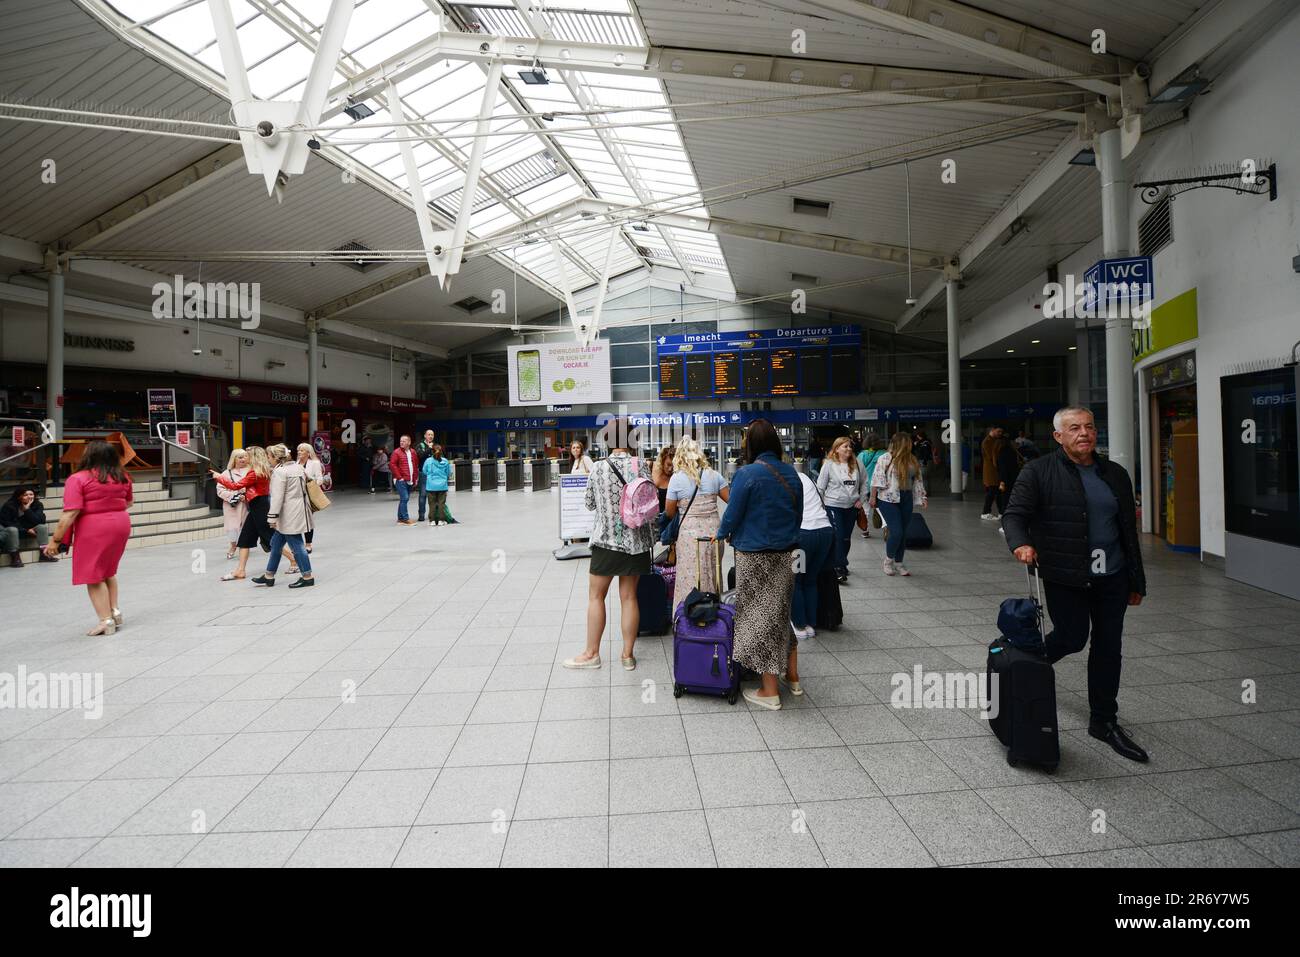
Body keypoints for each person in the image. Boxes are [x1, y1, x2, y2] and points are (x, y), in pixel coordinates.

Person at [1002, 406, 1149, 763]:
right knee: (1071, 637)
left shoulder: (1115, 474)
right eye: (1074, 428)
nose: (1084, 433)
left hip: (1112, 575)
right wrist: (1020, 543)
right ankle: (1020, 668)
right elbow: (1015, 514)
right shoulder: (1039, 471)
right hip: (1066, 574)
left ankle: (1104, 720)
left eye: (1089, 427)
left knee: (1108, 646)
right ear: (1058, 436)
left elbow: (1127, 531)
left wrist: (1135, 579)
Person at [714, 419, 802, 710]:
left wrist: (720, 534)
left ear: (750, 444)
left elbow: (732, 514)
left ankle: (769, 690)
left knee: (760, 616)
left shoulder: (747, 474)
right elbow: (797, 514)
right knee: (780, 612)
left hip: (755, 555)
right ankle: (793, 677)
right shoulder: (791, 474)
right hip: (787, 553)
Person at [563, 417, 653, 672]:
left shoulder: (599, 468)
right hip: (636, 542)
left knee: (596, 596)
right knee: (629, 597)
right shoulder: (641, 464)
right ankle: (627, 655)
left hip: (606, 541)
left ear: (608, 440)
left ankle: (592, 654)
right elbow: (649, 501)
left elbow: (590, 503)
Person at [43, 440, 132, 636]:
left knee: (92, 575)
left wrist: (55, 540)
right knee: (108, 570)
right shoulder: (123, 476)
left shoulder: (78, 479)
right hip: (121, 524)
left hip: (94, 528)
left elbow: (70, 512)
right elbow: (129, 502)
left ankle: (105, 621)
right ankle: (115, 611)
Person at [663, 435, 730, 614]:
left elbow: (669, 513)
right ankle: (714, 613)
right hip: (714, 533)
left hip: (689, 535)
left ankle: (688, 616)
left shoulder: (676, 479)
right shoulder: (715, 475)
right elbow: (731, 501)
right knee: (712, 572)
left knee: (689, 575)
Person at [251, 444, 315, 589]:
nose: (268, 459)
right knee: (275, 544)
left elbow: (277, 498)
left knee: (297, 544)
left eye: (269, 456)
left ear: (276, 457)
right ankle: (269, 575)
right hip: (299, 510)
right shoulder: (298, 467)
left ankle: (307, 576)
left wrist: (272, 518)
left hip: (288, 514)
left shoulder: (280, 472)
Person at [869, 432, 928, 577]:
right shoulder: (885, 458)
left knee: (903, 533)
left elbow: (918, 479)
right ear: (901, 444)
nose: (911, 444)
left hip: (906, 497)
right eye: (908, 442)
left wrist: (923, 496)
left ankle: (899, 563)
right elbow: (876, 479)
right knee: (897, 532)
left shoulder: (911, 459)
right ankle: (888, 561)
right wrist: (872, 497)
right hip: (888, 499)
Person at [213, 445, 273, 582]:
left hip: (258, 507)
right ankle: (240, 570)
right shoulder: (261, 470)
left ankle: (294, 560)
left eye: (247, 455)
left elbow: (235, 486)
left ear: (253, 457)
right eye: (242, 456)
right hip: (256, 506)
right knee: (244, 540)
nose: (245, 457)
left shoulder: (255, 473)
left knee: (270, 539)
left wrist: (218, 477)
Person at [816, 436, 866, 583]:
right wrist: (820, 505)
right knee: (838, 536)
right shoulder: (829, 464)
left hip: (851, 507)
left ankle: (840, 562)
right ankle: (838, 567)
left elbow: (864, 483)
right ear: (836, 449)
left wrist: (861, 500)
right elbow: (820, 487)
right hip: (833, 505)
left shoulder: (858, 464)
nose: (849, 449)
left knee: (845, 538)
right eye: (845, 446)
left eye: (850, 446)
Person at [792, 469, 835, 641]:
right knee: (810, 579)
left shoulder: (786, 479)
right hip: (825, 533)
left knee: (796, 580)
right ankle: (811, 623)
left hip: (804, 537)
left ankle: (800, 625)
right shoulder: (804, 477)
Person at [2, 485, 58, 567]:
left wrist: (27, 510)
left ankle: (44, 554)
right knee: (12, 529)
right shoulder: (9, 505)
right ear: (19, 496)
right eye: (25, 495)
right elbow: (7, 522)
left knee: (42, 527)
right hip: (12, 533)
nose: (29, 497)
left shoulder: (37, 504)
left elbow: (40, 521)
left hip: (30, 530)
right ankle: (15, 558)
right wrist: (26, 530)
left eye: (31, 494)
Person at [215, 448, 250, 561]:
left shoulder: (251, 471)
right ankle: (233, 545)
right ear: (234, 459)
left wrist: (246, 495)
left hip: (247, 504)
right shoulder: (226, 473)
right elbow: (220, 490)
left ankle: (244, 547)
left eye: (245, 456)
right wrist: (233, 496)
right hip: (232, 505)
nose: (243, 459)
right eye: (240, 457)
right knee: (232, 527)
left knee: (246, 527)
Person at [856, 433, 887, 540]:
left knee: (865, 509)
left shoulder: (862, 455)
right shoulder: (885, 454)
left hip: (865, 485)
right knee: (881, 508)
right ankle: (885, 525)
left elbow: (857, 471)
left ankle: (865, 530)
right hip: (881, 485)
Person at [297, 443, 324, 553]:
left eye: (302, 450)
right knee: (299, 520)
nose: (299, 452)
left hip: (309, 494)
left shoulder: (315, 463)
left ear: (308, 453)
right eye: (299, 450)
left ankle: (308, 543)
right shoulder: (296, 463)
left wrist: (310, 479)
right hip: (297, 495)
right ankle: (298, 543)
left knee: (308, 519)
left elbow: (320, 479)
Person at [995, 436, 1025, 536]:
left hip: (1006, 480)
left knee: (1005, 502)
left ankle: (1006, 525)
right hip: (1014, 479)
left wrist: (1002, 481)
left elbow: (1003, 468)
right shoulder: (1012, 452)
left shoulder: (1002, 452)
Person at [389, 435, 419, 526]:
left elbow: (415, 465)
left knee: (404, 499)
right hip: (401, 480)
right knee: (405, 498)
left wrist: (415, 478)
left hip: (410, 479)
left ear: (409, 442)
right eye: (401, 441)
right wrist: (399, 478)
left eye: (404, 441)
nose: (401, 442)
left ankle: (400, 519)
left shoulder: (413, 452)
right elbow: (392, 465)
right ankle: (406, 519)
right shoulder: (396, 452)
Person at [422, 443, 452, 526]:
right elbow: (449, 473)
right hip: (442, 486)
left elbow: (424, 471)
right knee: (441, 504)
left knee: (432, 504)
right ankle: (441, 520)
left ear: (432, 452)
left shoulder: (428, 461)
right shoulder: (445, 461)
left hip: (431, 486)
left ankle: (431, 521)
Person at [980, 426, 1003, 520]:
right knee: (992, 492)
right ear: (992, 431)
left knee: (996, 492)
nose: (1000, 433)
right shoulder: (987, 442)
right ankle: (985, 512)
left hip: (993, 471)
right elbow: (992, 455)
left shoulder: (993, 440)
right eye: (998, 431)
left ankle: (1001, 512)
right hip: (990, 471)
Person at [415, 429, 437, 523]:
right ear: (425, 436)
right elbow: (420, 456)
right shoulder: (420, 445)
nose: (430, 436)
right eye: (429, 434)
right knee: (423, 494)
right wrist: (429, 448)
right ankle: (421, 515)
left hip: (434, 473)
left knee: (434, 494)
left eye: (432, 435)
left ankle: (434, 514)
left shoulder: (436, 446)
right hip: (423, 473)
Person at [652, 446, 674, 514]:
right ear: (662, 461)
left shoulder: (676, 477)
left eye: (673, 466)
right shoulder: (653, 471)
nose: (670, 469)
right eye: (668, 465)